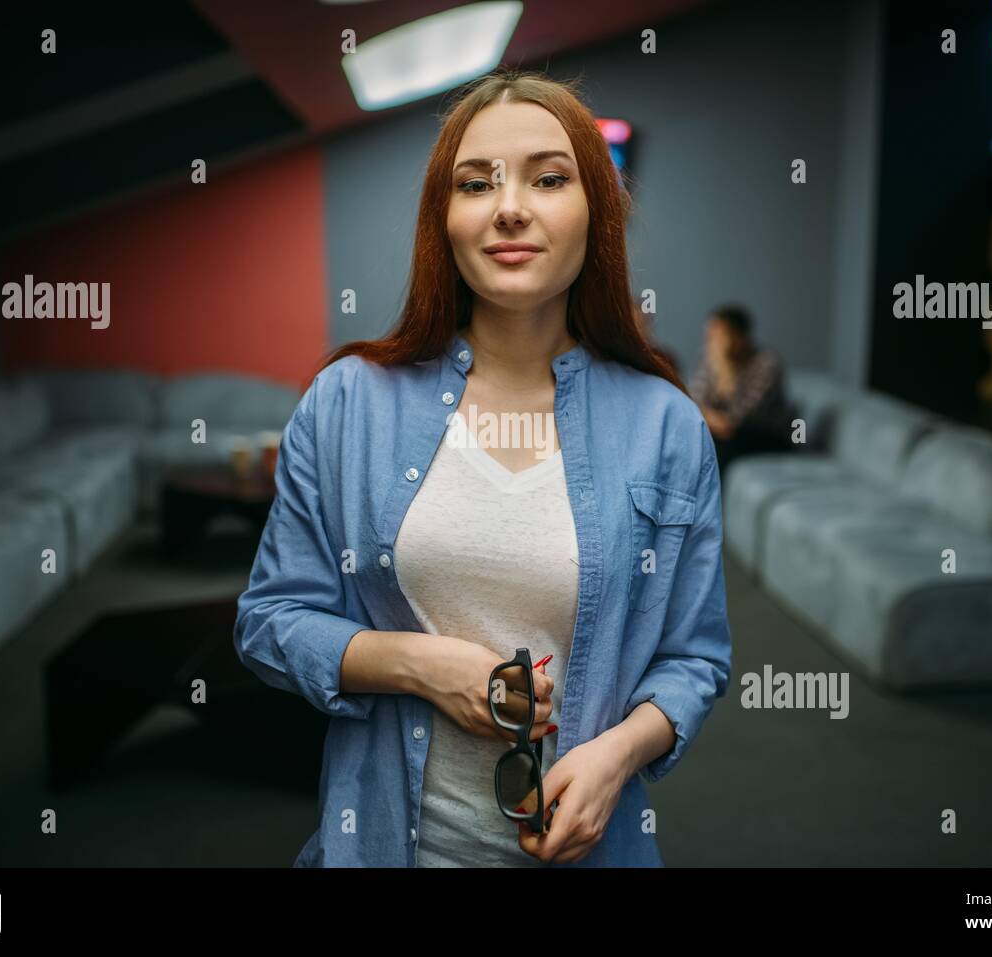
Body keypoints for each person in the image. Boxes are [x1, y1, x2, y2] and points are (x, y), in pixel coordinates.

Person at [234, 70, 731, 868]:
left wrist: (617, 757)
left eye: (548, 177)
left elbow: (695, 657)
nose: (509, 206)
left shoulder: (666, 425)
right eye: (476, 183)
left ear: (595, 212)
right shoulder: (347, 402)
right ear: (446, 218)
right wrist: (423, 666)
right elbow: (269, 619)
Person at [689, 304, 795, 471]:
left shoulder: (767, 363)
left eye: (718, 335)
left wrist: (724, 372)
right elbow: (691, 404)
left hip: (766, 435)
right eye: (709, 335)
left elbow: (737, 418)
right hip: (724, 433)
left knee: (715, 448)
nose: (710, 340)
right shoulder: (711, 358)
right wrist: (713, 420)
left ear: (739, 336)